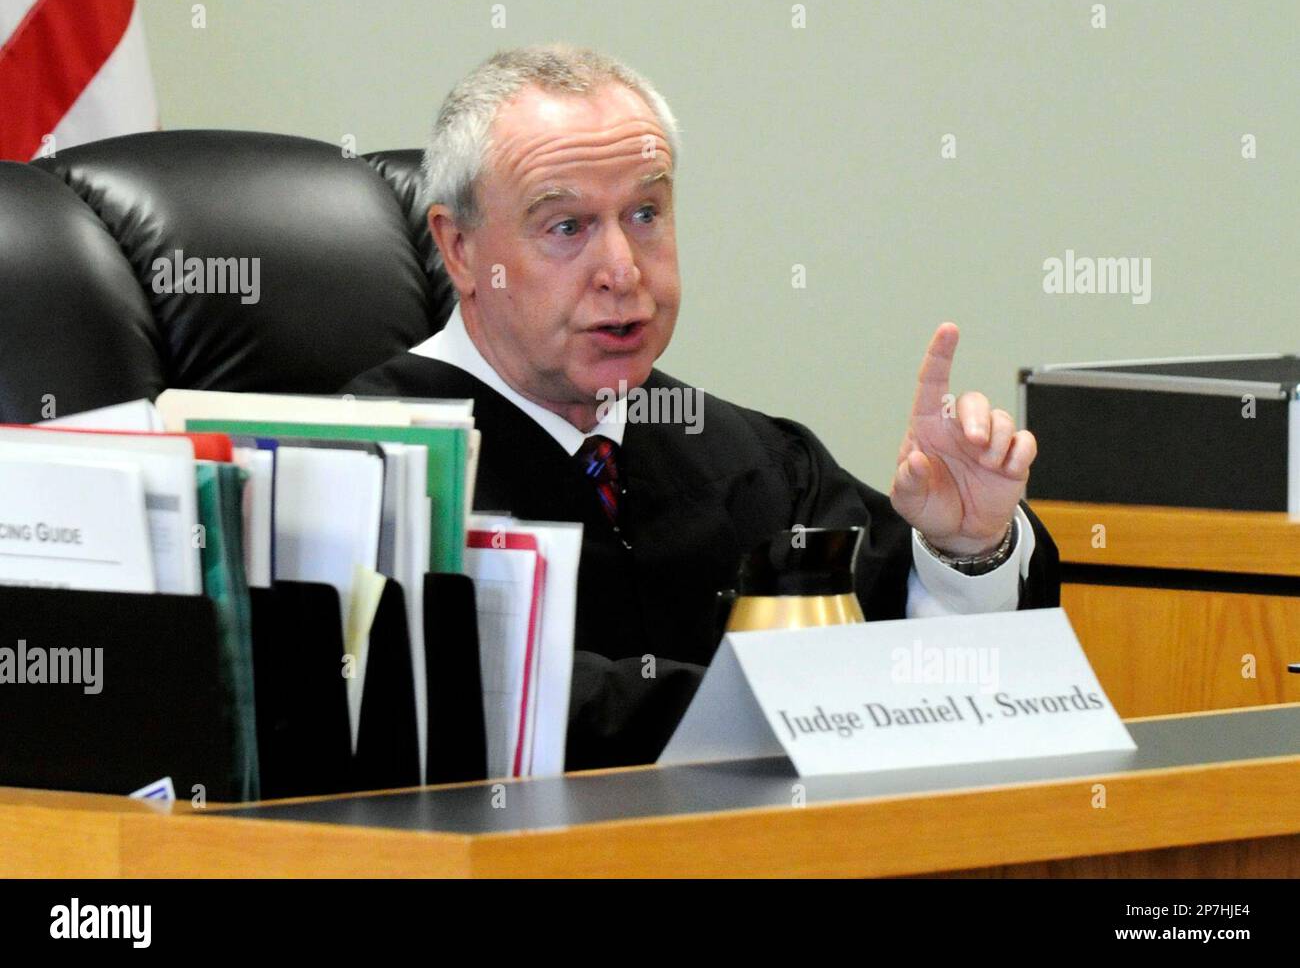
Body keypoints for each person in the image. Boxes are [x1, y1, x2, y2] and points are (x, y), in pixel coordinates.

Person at [344, 44, 1059, 771]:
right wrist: (802, 712)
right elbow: (494, 709)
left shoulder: (752, 460)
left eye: (646, 213)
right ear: (458, 248)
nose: (623, 269)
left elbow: (944, 700)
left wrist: (965, 550)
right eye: (568, 227)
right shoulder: (367, 471)